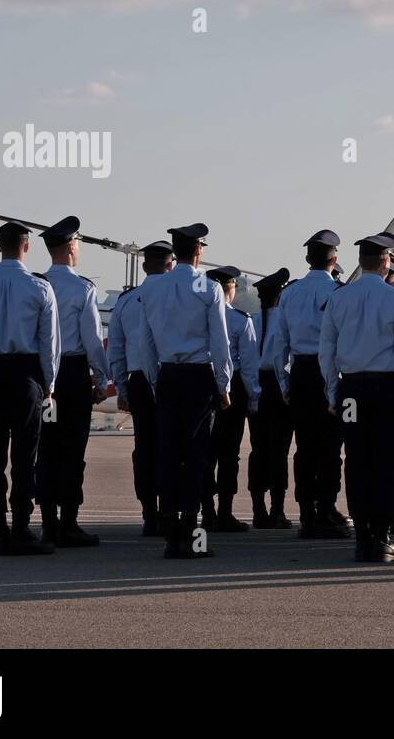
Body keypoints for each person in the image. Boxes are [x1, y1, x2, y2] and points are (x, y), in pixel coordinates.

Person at [320, 233, 394, 562]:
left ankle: (362, 537)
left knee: (357, 459)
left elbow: (327, 352)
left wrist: (332, 393)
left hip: (351, 390)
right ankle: (381, 536)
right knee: (385, 461)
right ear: (386, 261)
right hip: (386, 389)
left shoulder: (339, 298)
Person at [0, 221, 60, 556]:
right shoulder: (40, 288)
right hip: (25, 374)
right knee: (24, 455)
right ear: (26, 246)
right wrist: (49, 385)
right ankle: (21, 526)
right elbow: (49, 345)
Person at [139, 223, 232, 558]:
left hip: (167, 376)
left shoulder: (151, 289)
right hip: (197, 376)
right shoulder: (209, 288)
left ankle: (169, 534)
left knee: (167, 453)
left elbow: (146, 343)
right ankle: (192, 535)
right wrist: (224, 385)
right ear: (198, 250)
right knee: (195, 456)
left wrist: (154, 380)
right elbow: (219, 343)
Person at [273, 230, 352, 539]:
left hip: (302, 373)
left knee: (305, 447)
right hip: (330, 373)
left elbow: (280, 343)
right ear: (334, 259)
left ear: (308, 259)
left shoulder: (290, 293)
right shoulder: (339, 293)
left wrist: (284, 383)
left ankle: (308, 512)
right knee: (331, 447)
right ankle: (325, 508)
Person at [37, 216, 108, 548]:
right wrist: (101, 378)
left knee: (46, 449)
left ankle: (48, 522)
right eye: (77, 243)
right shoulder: (82, 288)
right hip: (73, 375)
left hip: (44, 378)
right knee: (72, 449)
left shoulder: (37, 285)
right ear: (70, 247)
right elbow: (92, 339)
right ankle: (68, 522)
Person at [107, 239, 173, 536]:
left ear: (144, 265)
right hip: (173, 378)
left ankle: (149, 513)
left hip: (138, 382)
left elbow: (116, 350)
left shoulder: (126, 301)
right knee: (175, 447)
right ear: (170, 264)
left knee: (144, 448)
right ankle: (172, 511)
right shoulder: (179, 295)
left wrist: (121, 387)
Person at [203, 266, 260, 532]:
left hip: (204, 383)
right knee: (229, 455)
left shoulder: (200, 317)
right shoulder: (240, 320)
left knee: (204, 453)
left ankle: (207, 511)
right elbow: (249, 365)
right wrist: (253, 398)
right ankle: (224, 512)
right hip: (233, 387)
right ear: (232, 288)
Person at [247, 268, 294, 529]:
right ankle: (277, 508)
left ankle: (258, 507)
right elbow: (285, 361)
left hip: (258, 388)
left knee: (259, 449)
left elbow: (248, 361)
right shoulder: (284, 322)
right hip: (278, 388)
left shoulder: (253, 320)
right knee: (280, 451)